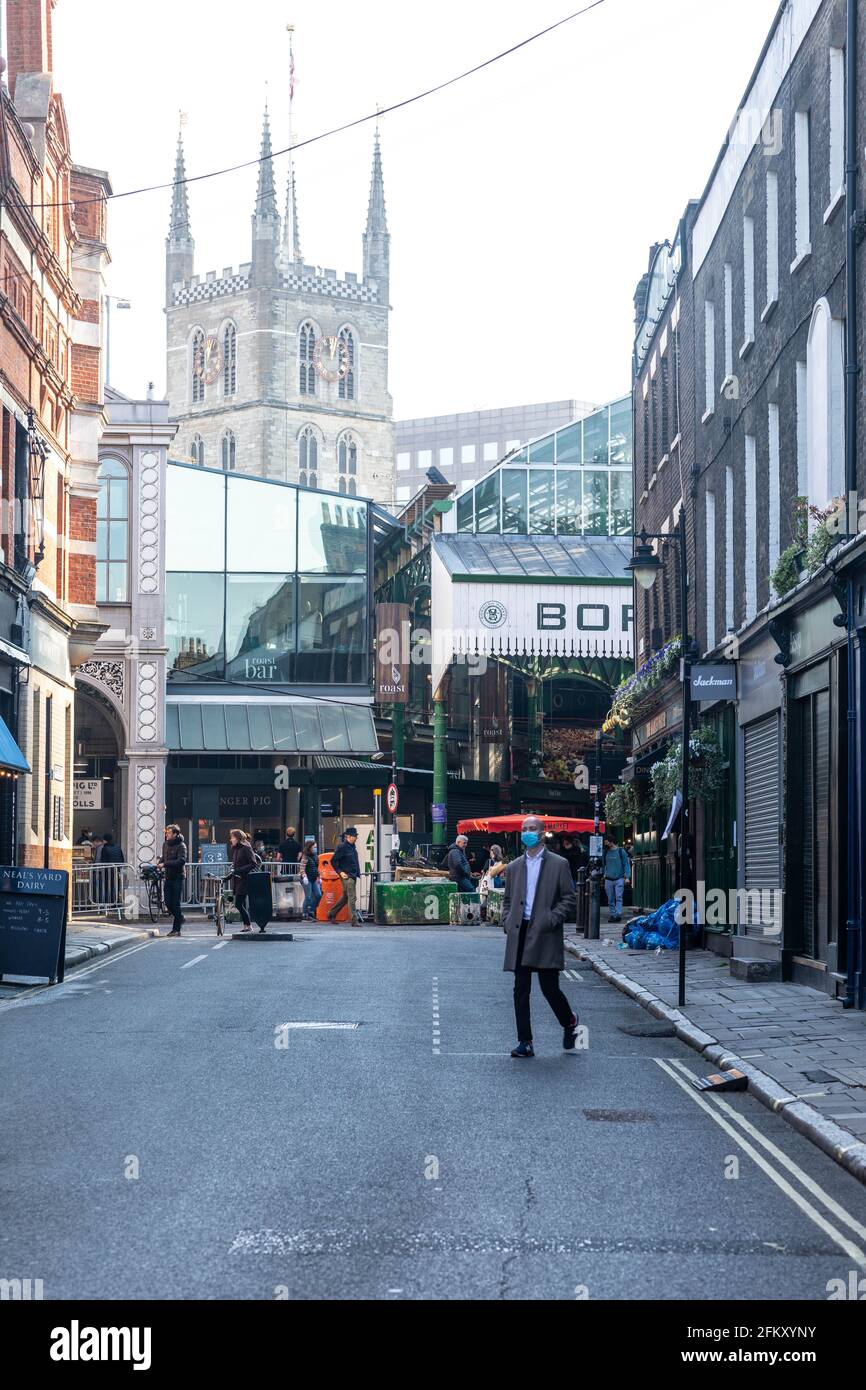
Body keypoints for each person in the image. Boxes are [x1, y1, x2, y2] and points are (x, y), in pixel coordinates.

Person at [502, 813, 579, 1059]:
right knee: (520, 989)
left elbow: (569, 898)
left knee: (549, 989)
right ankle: (525, 1042)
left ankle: (569, 1022)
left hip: (545, 932)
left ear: (542, 833)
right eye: (525, 828)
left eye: (533, 828)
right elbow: (506, 900)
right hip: (520, 931)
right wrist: (506, 920)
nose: (528, 832)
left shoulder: (559, 864)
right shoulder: (513, 866)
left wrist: (552, 919)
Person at [329, 827, 363, 924]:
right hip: (347, 875)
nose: (356, 838)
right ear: (348, 836)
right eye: (354, 836)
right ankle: (354, 920)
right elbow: (333, 861)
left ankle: (332, 913)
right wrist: (340, 872)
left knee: (346, 897)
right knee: (352, 897)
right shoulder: (342, 847)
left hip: (352, 874)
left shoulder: (352, 847)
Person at [159, 824, 188, 936]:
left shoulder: (181, 845)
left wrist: (164, 864)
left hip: (178, 877)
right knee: (167, 902)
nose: (166, 835)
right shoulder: (165, 844)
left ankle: (176, 929)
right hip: (168, 877)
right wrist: (159, 864)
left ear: (175, 834)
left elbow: (181, 861)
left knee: (175, 903)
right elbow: (164, 858)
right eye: (166, 833)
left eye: (169, 833)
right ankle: (180, 917)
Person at [228, 828, 258, 932]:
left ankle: (249, 925)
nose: (231, 839)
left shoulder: (246, 847)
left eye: (232, 837)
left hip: (244, 879)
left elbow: (253, 863)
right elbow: (236, 863)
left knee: (238, 904)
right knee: (242, 904)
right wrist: (233, 870)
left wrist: (238, 870)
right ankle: (246, 926)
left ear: (237, 838)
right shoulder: (236, 848)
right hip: (237, 879)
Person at [603, 836, 631, 924]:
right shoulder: (605, 852)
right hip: (608, 878)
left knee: (618, 897)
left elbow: (626, 864)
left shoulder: (620, 851)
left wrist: (627, 877)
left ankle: (617, 914)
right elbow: (603, 863)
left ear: (611, 842)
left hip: (619, 878)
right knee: (610, 898)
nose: (605, 844)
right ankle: (613, 914)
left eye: (607, 842)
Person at [300, 835, 321, 919]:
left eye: (315, 847)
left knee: (318, 895)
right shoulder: (305, 856)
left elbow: (316, 868)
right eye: (314, 847)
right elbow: (302, 868)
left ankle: (311, 910)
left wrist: (319, 877)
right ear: (309, 847)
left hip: (313, 878)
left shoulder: (316, 856)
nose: (315, 849)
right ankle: (305, 914)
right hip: (307, 879)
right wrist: (304, 876)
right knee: (308, 897)